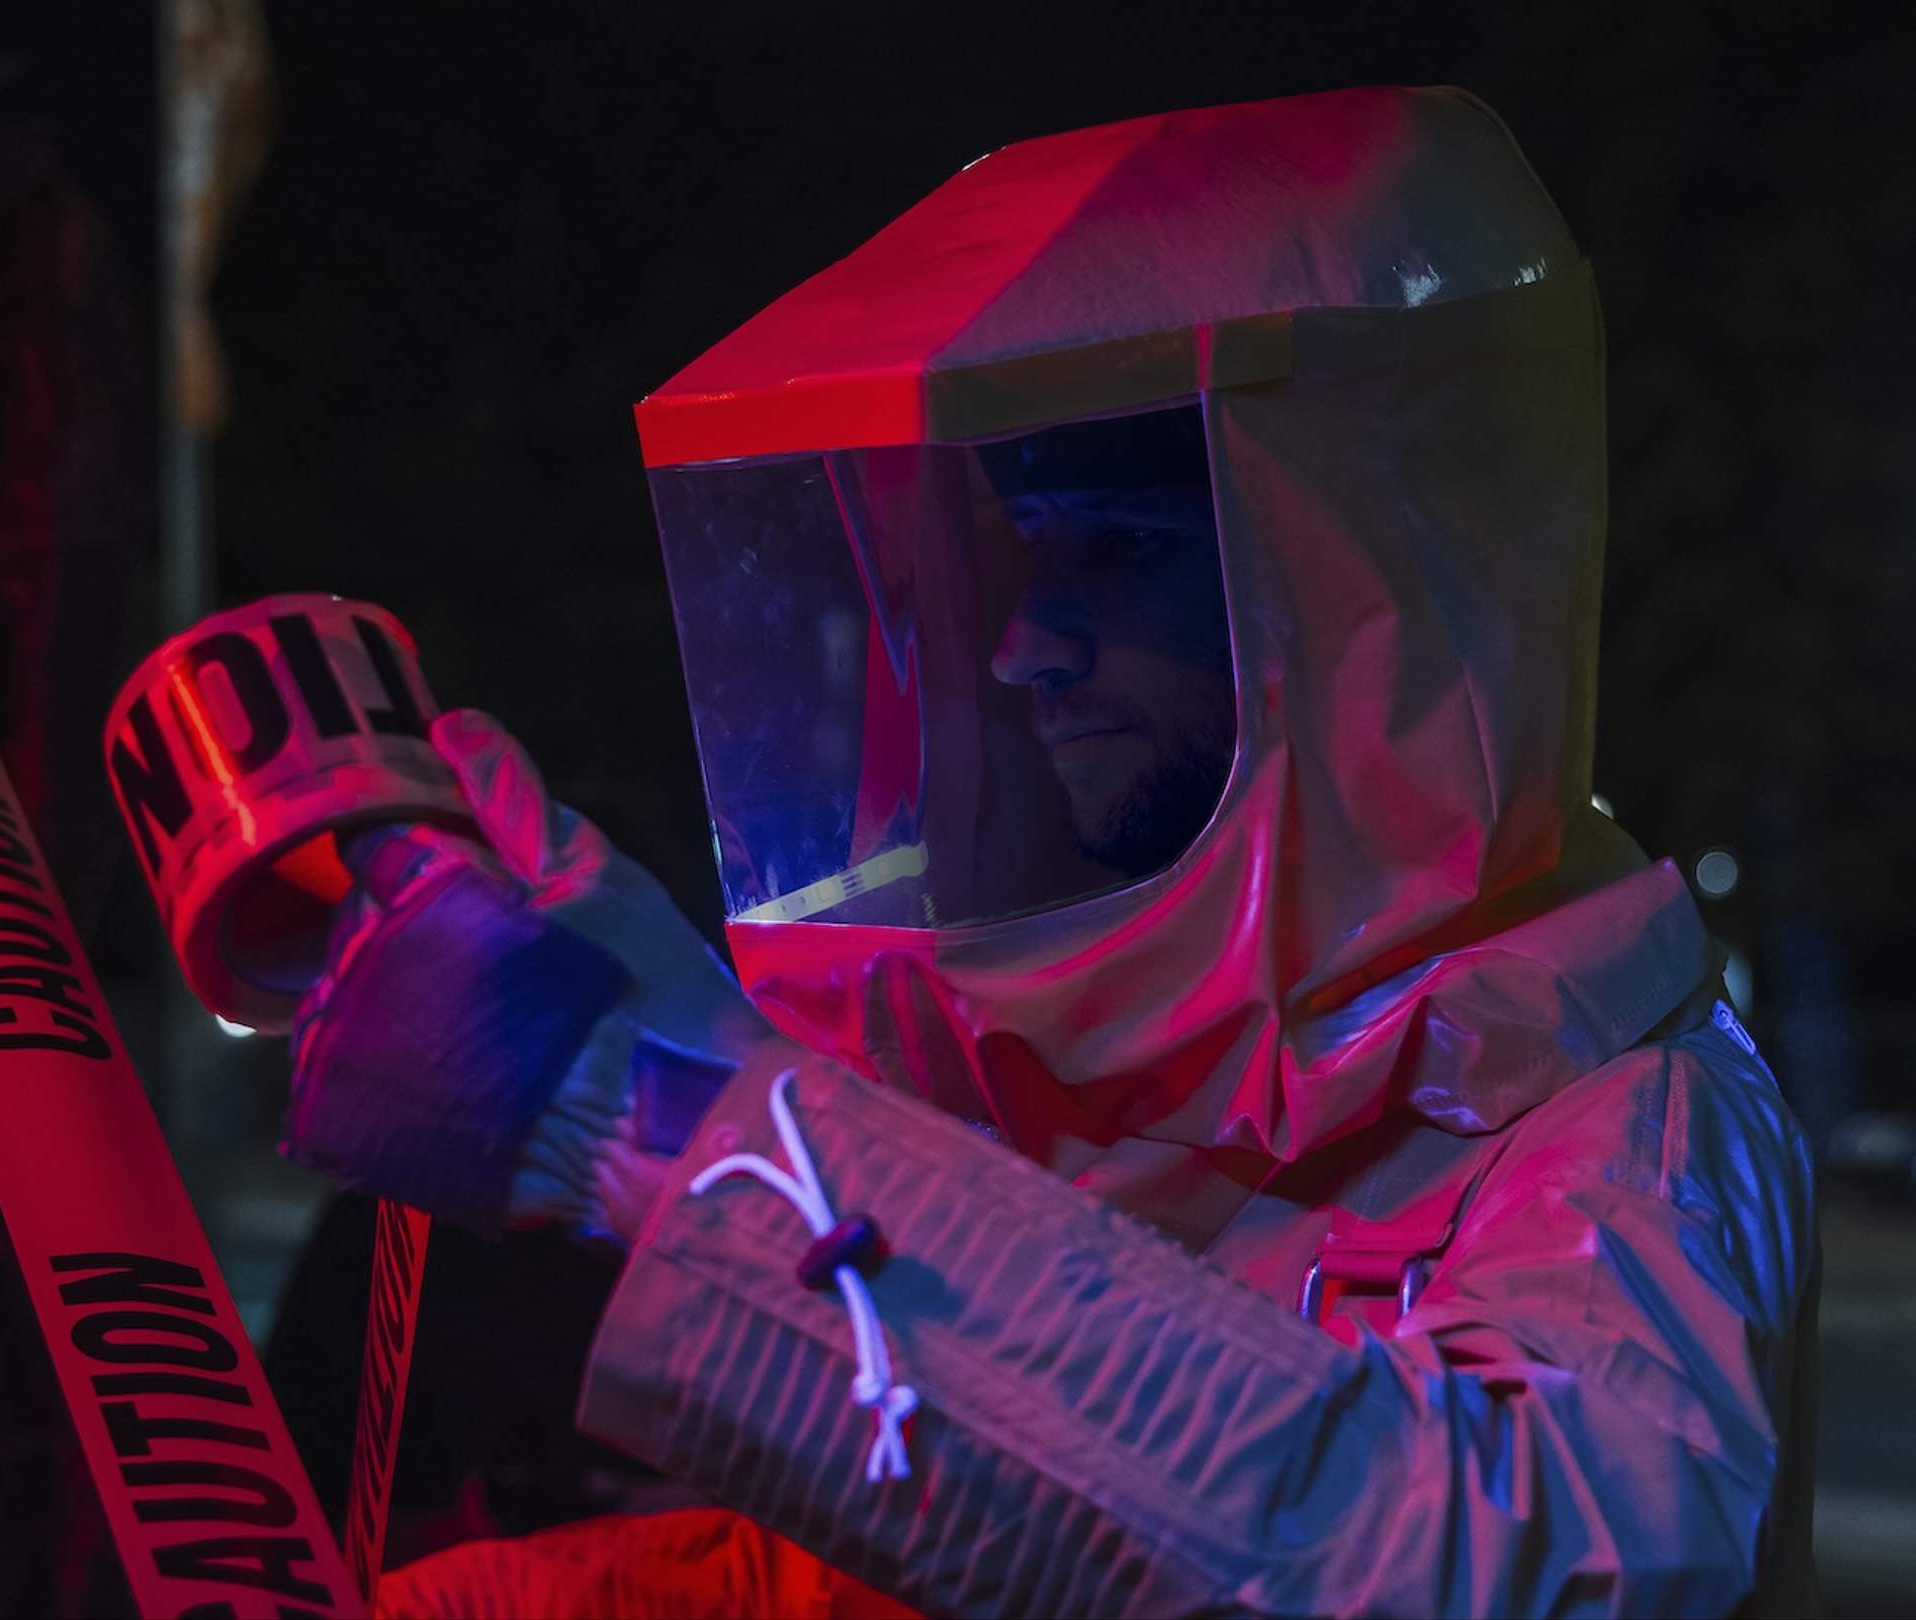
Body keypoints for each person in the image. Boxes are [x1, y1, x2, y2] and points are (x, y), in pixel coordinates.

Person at [286, 86, 1822, 1618]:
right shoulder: (1118, 1061)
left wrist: (653, 1118)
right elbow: (966, 1556)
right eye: (1024, 556)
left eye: (1128, 552)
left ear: (1382, 598)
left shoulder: (1626, 1115)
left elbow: (1514, 1573)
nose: (1023, 645)